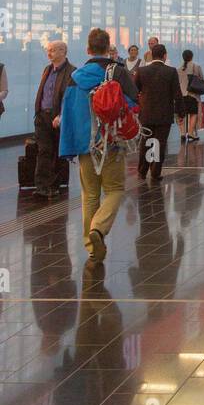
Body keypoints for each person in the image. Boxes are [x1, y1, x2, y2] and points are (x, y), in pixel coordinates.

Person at [59, 27, 138, 261]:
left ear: (88, 49)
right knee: (114, 190)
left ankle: (91, 247)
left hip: (85, 145)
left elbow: (69, 114)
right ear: (109, 48)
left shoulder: (75, 77)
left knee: (90, 194)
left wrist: (69, 146)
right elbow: (134, 102)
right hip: (111, 142)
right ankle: (98, 229)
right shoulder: (118, 72)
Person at [33, 40, 75, 200]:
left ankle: (54, 185)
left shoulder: (72, 71)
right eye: (48, 50)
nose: (49, 53)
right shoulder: (47, 69)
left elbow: (70, 97)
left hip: (59, 117)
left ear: (63, 51)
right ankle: (42, 186)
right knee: (43, 150)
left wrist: (62, 115)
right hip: (43, 116)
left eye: (52, 50)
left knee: (58, 151)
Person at [135, 45, 182, 178]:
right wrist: (181, 113)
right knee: (159, 143)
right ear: (165, 55)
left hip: (146, 113)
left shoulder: (141, 71)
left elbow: (134, 91)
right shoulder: (171, 71)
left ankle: (142, 171)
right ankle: (155, 172)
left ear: (151, 54)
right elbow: (177, 94)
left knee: (145, 141)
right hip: (164, 114)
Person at [177, 49, 204, 143]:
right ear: (192, 56)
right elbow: (201, 78)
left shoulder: (179, 69)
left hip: (181, 95)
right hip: (192, 94)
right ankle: (190, 133)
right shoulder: (196, 66)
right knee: (193, 114)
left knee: (181, 115)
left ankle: (182, 133)